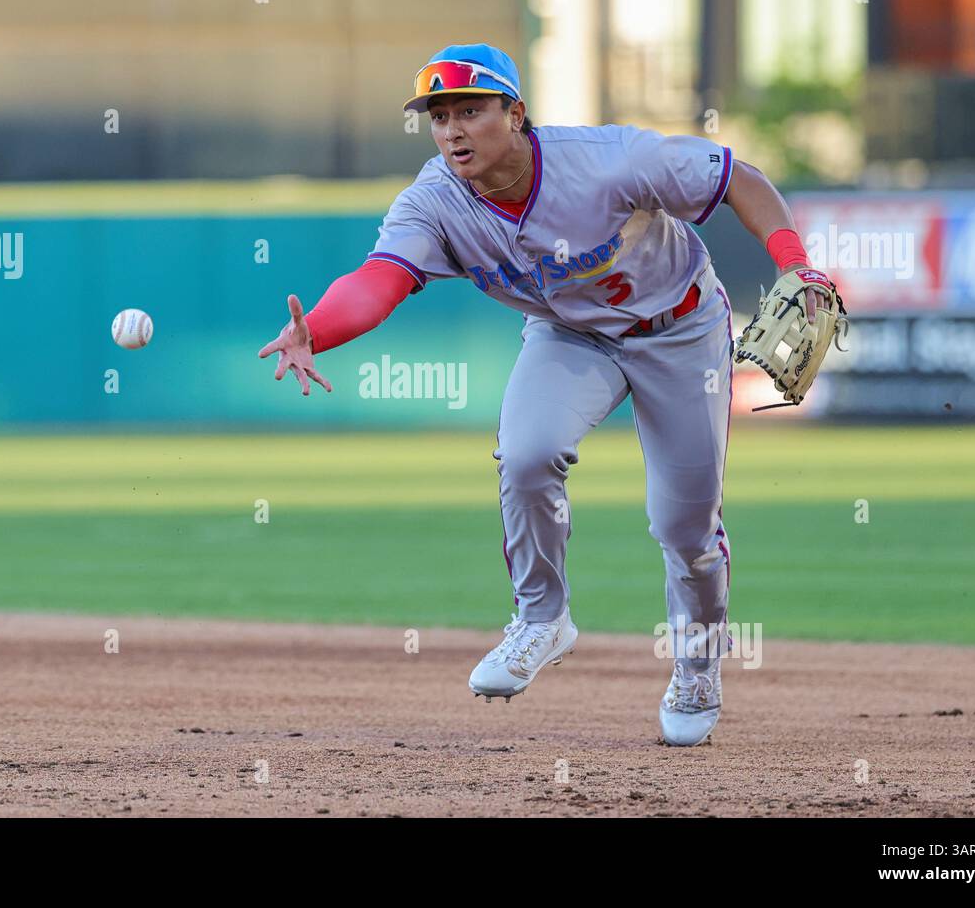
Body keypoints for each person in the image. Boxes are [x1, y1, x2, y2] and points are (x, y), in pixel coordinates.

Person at [258, 43, 829, 746]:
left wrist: (797, 265)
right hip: (568, 334)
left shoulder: (610, 161)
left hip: (679, 328)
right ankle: (541, 618)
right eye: (439, 116)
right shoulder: (435, 201)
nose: (453, 131)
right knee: (526, 455)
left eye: (470, 110)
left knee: (686, 528)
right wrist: (317, 328)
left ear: (516, 113)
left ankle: (697, 667)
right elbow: (380, 279)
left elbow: (740, 179)